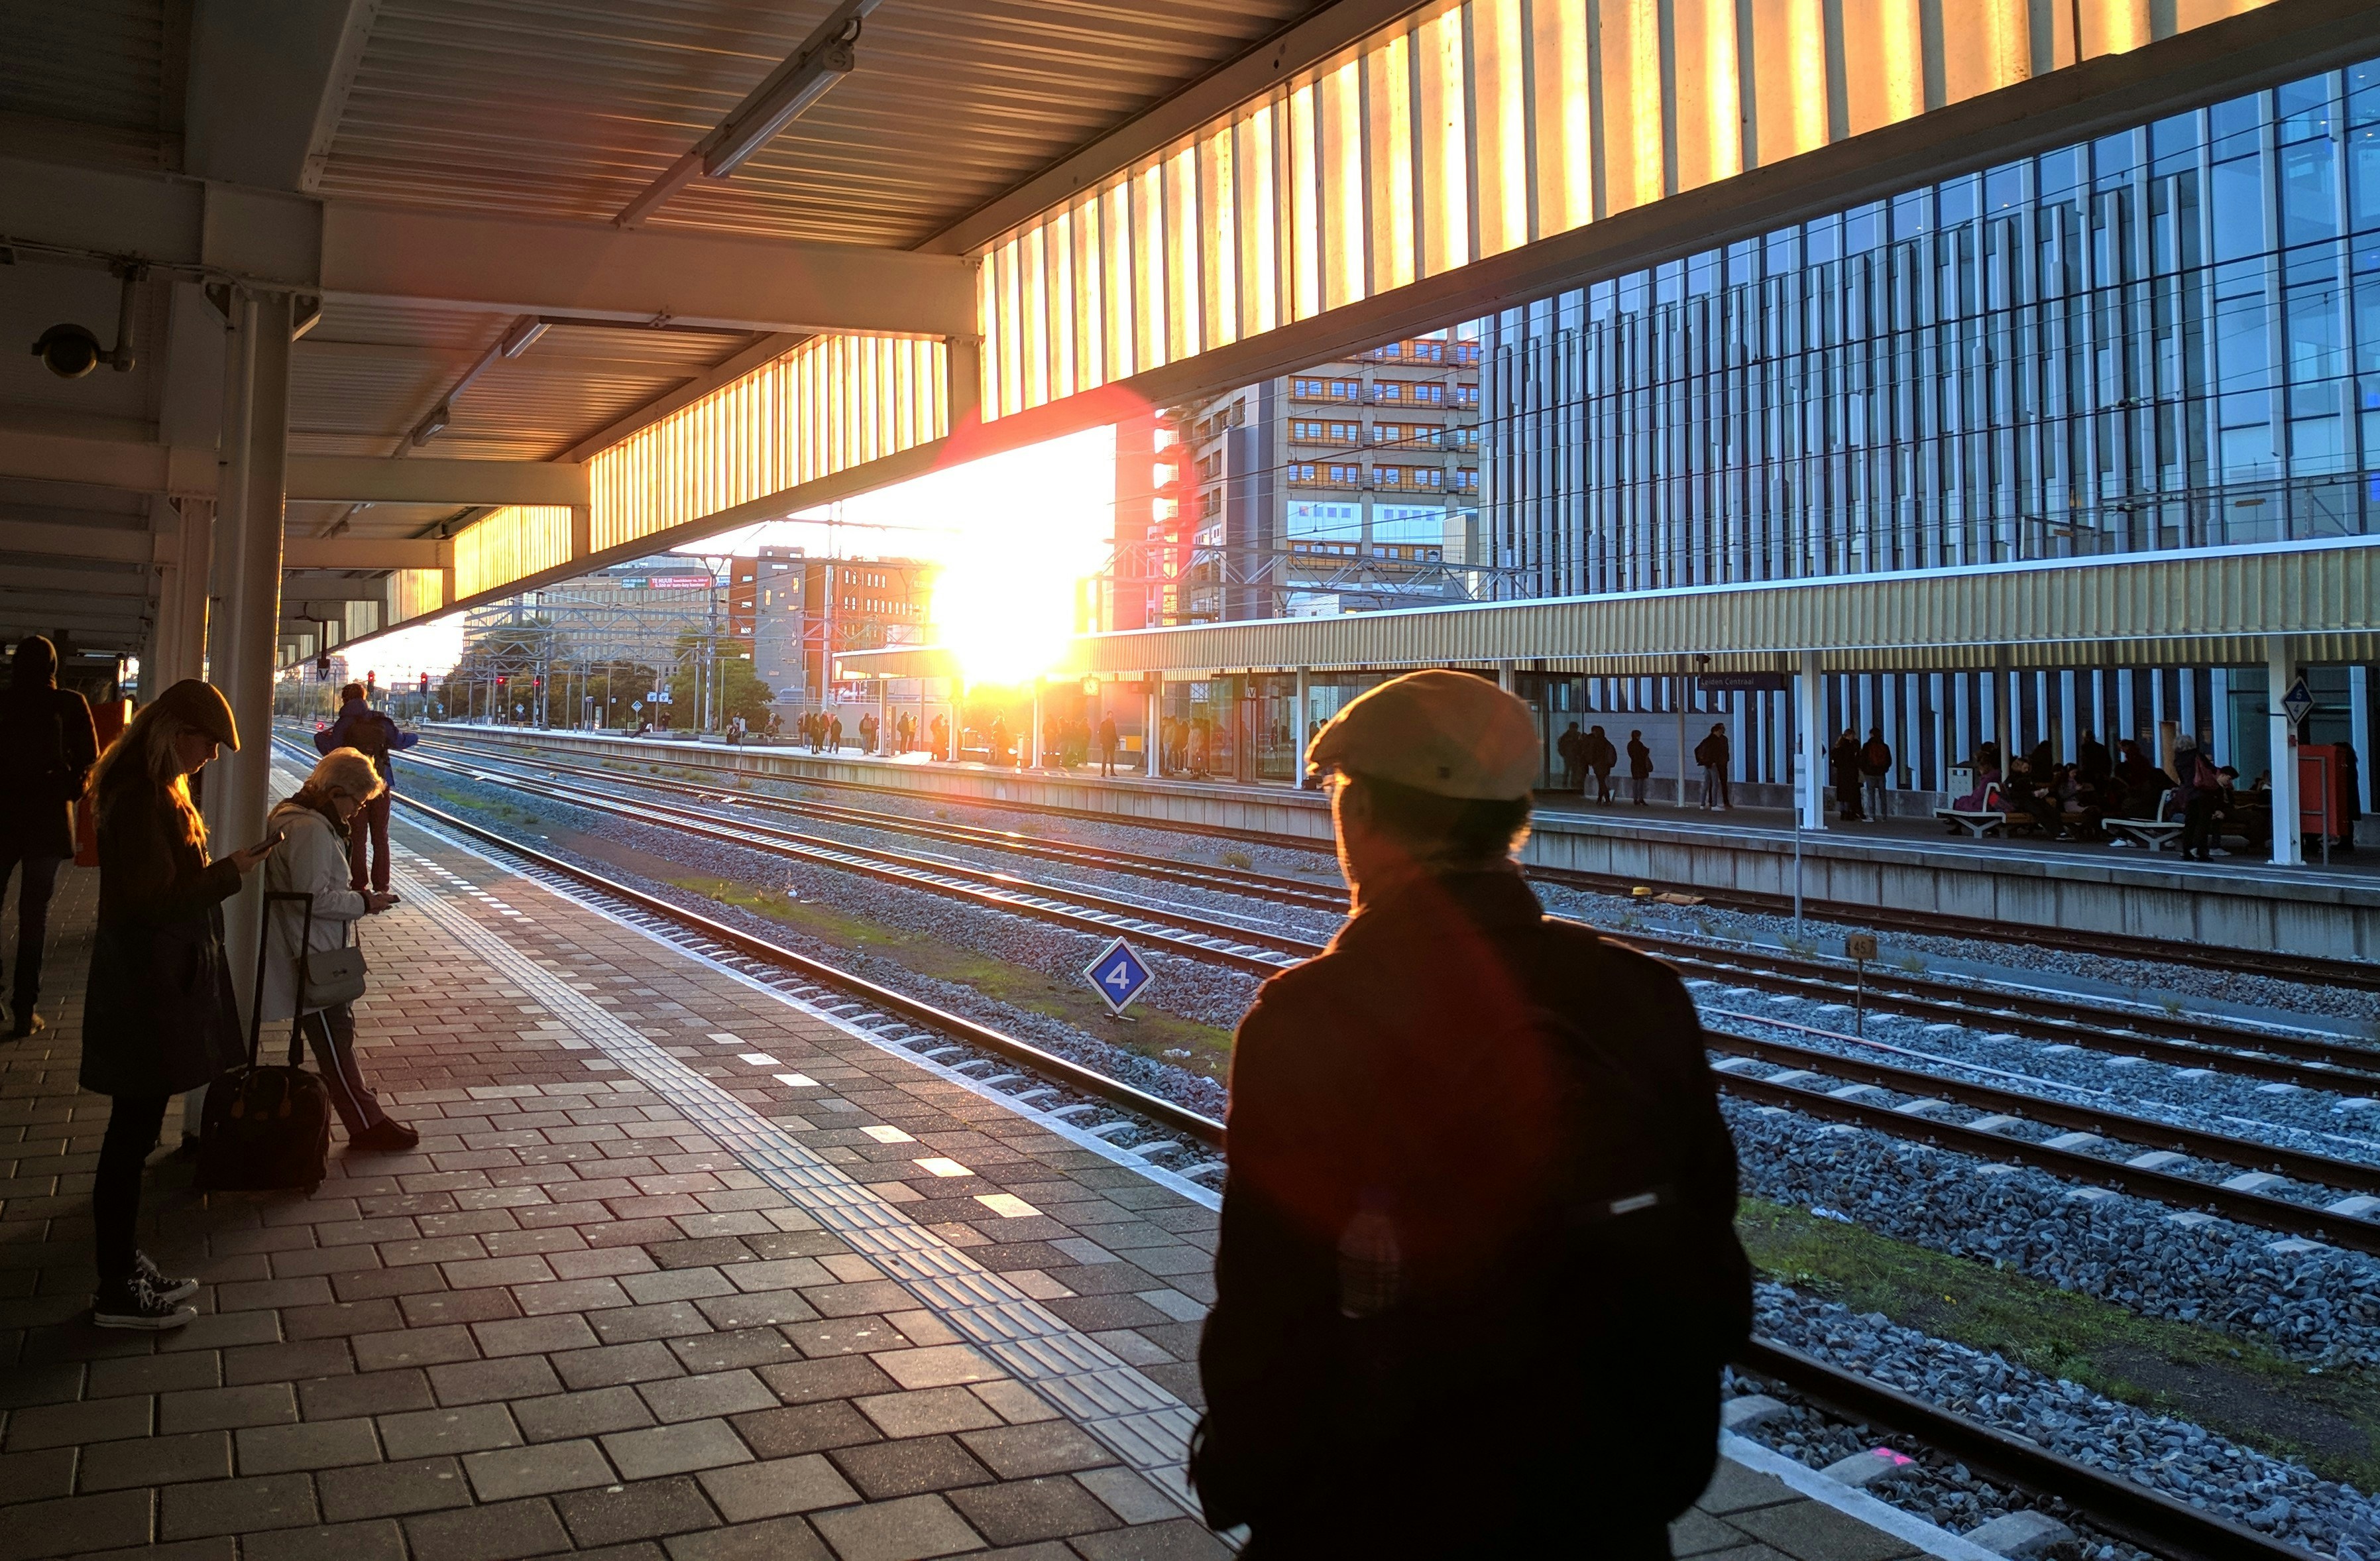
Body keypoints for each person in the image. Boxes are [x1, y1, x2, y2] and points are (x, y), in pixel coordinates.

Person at [1193, 671, 1750, 1555]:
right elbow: (1711, 1269)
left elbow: (1265, 1302)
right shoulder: (1639, 997)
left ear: (1362, 813)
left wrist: (1235, 1473)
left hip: (1367, 1513)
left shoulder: (1307, 1018)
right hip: (1596, 1513)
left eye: (1340, 797)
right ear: (1514, 819)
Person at [82, 679, 276, 1328]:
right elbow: (154, 904)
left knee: (131, 1138)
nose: (212, 757)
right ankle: (115, 1290)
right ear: (176, 732)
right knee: (128, 1142)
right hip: (144, 992)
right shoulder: (142, 797)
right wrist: (229, 874)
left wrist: (224, 866)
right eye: (208, 742)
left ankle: (124, 1263)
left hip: (150, 985)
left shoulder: (153, 788)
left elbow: (159, 889)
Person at [263, 750, 418, 1151]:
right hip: (314, 954)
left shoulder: (297, 815)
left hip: (314, 949)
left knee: (337, 1039)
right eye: (356, 803)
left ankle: (366, 1120)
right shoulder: (311, 830)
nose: (356, 814)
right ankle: (367, 1125)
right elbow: (312, 898)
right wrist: (365, 903)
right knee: (335, 1043)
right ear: (335, 793)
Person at [0, 635, 97, 1038]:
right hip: (48, 820)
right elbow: (91, 757)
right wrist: (71, 789)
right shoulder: (70, 703)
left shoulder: (3, 702)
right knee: (34, 915)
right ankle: (26, 1008)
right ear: (54, 667)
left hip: (2, 817)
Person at [315, 682, 417, 896]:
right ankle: (382, 887)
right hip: (380, 786)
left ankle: (359, 885)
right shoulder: (380, 721)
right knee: (381, 837)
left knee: (358, 837)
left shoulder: (344, 725)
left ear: (344, 700)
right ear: (364, 697)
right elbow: (399, 741)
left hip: (354, 789)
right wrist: (414, 736)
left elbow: (328, 746)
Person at [1694, 723, 1731, 810]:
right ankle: (1714, 805)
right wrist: (1714, 761)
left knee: (1707, 783)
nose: (1721, 732)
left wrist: (1701, 760)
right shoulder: (1716, 741)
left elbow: (1697, 750)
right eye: (1720, 730)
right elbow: (1716, 753)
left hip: (1707, 764)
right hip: (1713, 764)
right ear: (1717, 731)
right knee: (1715, 783)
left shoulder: (1707, 740)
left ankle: (1702, 804)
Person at [1829, 728, 1864, 821]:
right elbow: (1854, 760)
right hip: (1850, 774)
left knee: (1842, 795)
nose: (1854, 737)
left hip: (1841, 774)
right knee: (1849, 794)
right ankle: (1848, 813)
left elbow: (1834, 760)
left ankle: (1843, 813)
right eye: (1853, 735)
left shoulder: (1839, 746)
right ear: (1850, 735)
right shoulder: (1851, 747)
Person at [1859, 728, 1892, 821]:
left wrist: (1864, 770)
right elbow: (1889, 760)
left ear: (1871, 735)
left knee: (1871, 794)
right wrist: (1884, 769)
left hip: (1870, 773)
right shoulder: (1885, 746)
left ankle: (1872, 815)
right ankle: (1884, 816)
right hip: (1881, 774)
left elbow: (1863, 759)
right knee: (1882, 795)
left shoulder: (1867, 746)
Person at [1585, 725, 1616, 805]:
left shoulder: (1596, 742)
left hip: (1598, 764)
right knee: (1601, 781)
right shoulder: (1606, 742)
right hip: (1606, 764)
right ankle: (1600, 799)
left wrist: (1590, 761)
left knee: (1601, 782)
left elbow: (1592, 753)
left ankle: (1606, 798)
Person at [1626, 728, 1653, 805]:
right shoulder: (1639, 744)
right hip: (1641, 765)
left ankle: (1635, 798)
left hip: (1634, 764)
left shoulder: (1630, 744)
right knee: (1641, 782)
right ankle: (1640, 798)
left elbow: (1631, 754)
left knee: (1635, 781)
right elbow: (1644, 752)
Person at [1556, 723, 1583, 792]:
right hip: (1570, 756)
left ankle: (1571, 784)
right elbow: (1561, 747)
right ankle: (1567, 784)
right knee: (1569, 771)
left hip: (1573, 756)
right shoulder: (1566, 736)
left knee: (1573, 771)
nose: (1575, 730)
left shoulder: (1568, 736)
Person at [1098, 713, 1119, 778]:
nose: (1111, 716)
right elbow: (1101, 733)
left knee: (1111, 758)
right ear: (1107, 715)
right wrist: (1101, 742)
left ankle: (1111, 771)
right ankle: (1104, 772)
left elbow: (1114, 733)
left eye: (1112, 715)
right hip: (1107, 743)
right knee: (1105, 758)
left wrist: (1117, 740)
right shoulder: (1104, 724)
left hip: (1110, 743)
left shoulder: (1112, 724)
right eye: (1110, 715)